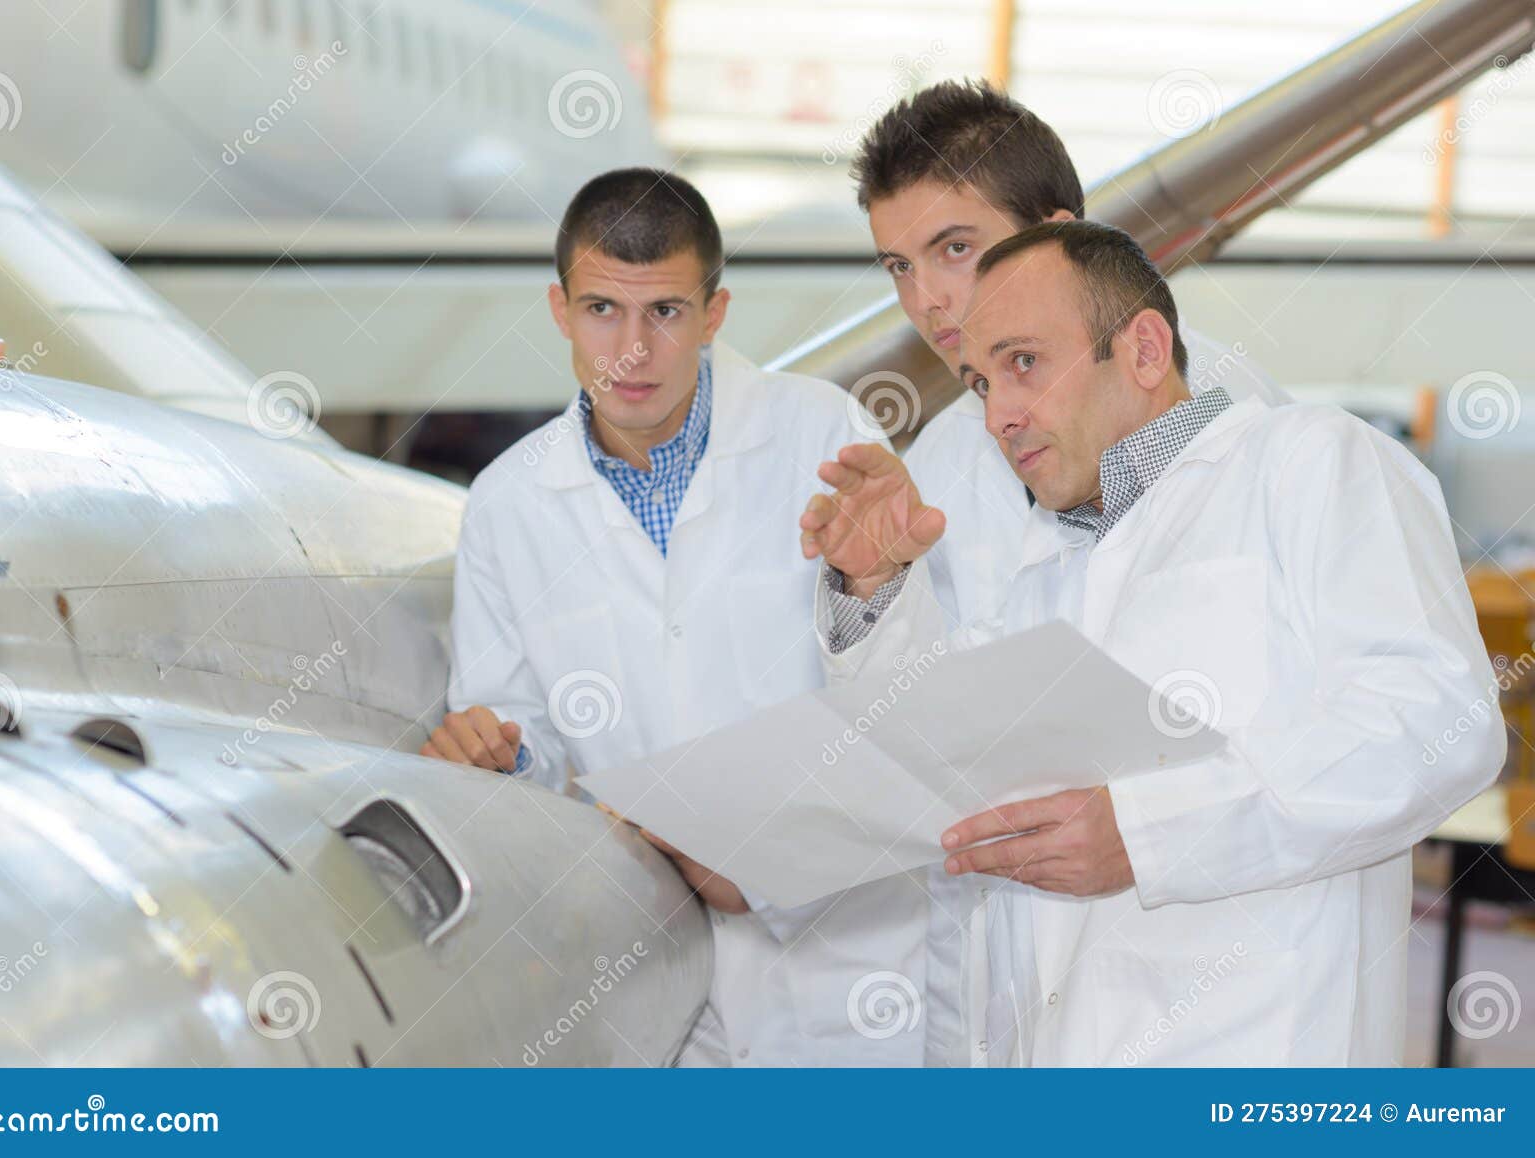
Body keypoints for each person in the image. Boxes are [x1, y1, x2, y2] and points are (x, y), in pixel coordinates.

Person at [799, 218, 1503, 1065]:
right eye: (979, 383)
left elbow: (1433, 725)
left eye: (1023, 363)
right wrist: (872, 585)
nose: (999, 416)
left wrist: (1152, 833)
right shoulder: (1053, 562)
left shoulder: (1312, 461)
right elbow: (940, 748)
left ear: (1141, 348)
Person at [427, 167, 929, 1066]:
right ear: (559, 307)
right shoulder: (508, 502)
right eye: (601, 311)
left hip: (844, 968)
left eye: (663, 312)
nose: (631, 351)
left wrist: (869, 592)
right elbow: (526, 728)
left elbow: (905, 703)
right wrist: (498, 749)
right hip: (653, 973)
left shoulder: (824, 438)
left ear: (714, 313)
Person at [845, 79, 1292, 1065]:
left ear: (1060, 234)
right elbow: (927, 721)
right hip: (1011, 997)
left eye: (954, 249)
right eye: (897, 266)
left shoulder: (1247, 440)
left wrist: (1156, 835)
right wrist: (867, 591)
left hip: (1214, 1000)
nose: (927, 300)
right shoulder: (944, 464)